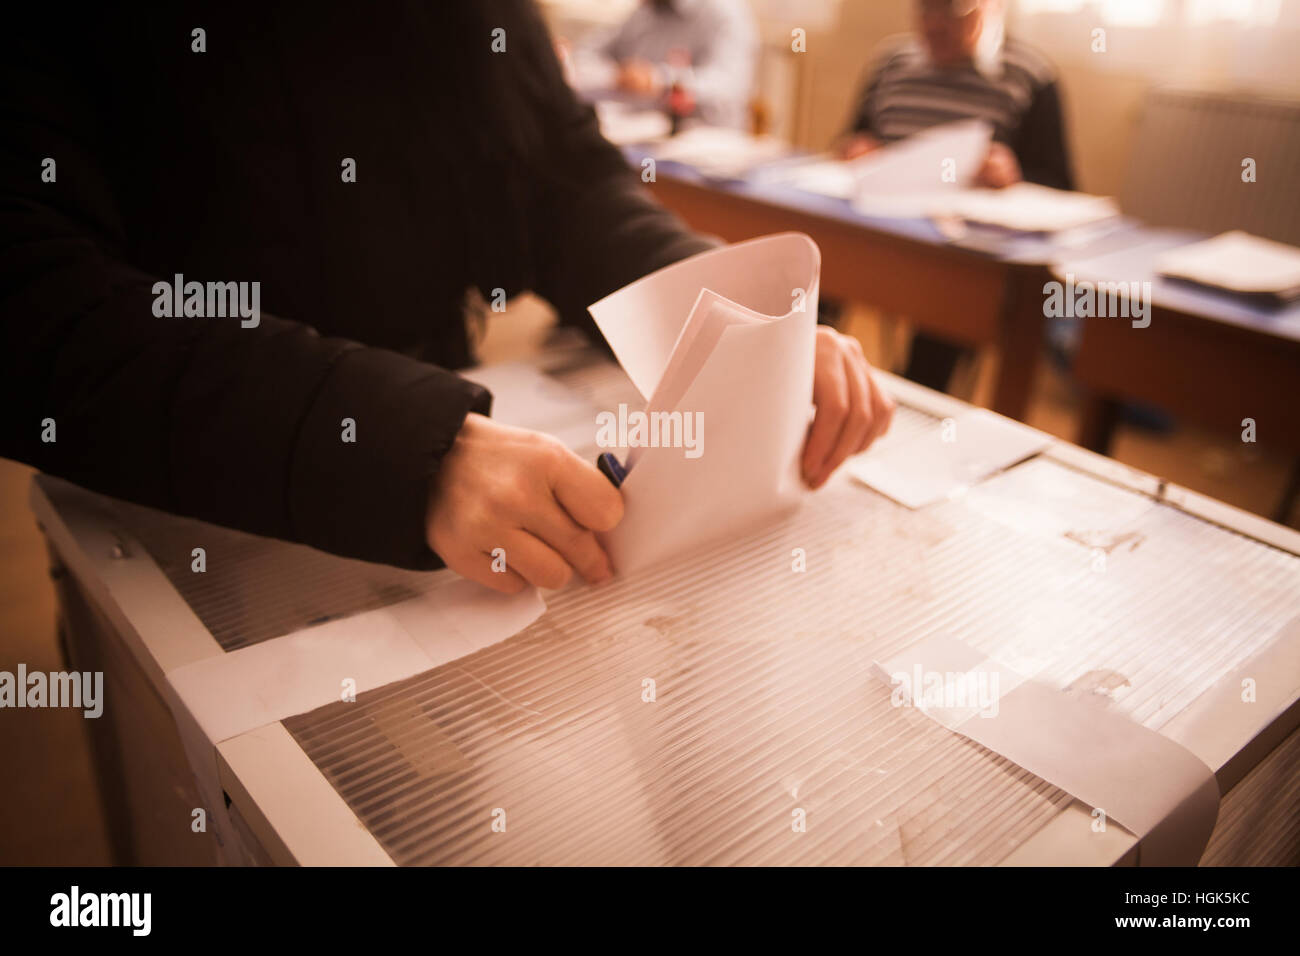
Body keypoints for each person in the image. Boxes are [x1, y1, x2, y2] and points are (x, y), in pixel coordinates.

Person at [0, 2, 892, 596]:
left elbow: (560, 181)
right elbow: (31, 296)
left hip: (451, 509)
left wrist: (731, 315)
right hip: (172, 512)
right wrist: (399, 447)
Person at [839, 0, 1074, 391]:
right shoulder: (890, 63)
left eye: (952, 11)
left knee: (950, 307)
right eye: (925, 9)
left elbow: (1059, 185)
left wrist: (1014, 173)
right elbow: (852, 140)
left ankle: (913, 405)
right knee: (816, 269)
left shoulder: (1031, 76)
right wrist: (856, 149)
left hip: (953, 256)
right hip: (874, 233)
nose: (934, 25)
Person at [567, 0, 758, 129]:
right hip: (641, 132)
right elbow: (585, 52)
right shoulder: (646, 11)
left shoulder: (725, 12)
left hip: (704, 143)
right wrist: (617, 75)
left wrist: (659, 81)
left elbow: (729, 84)